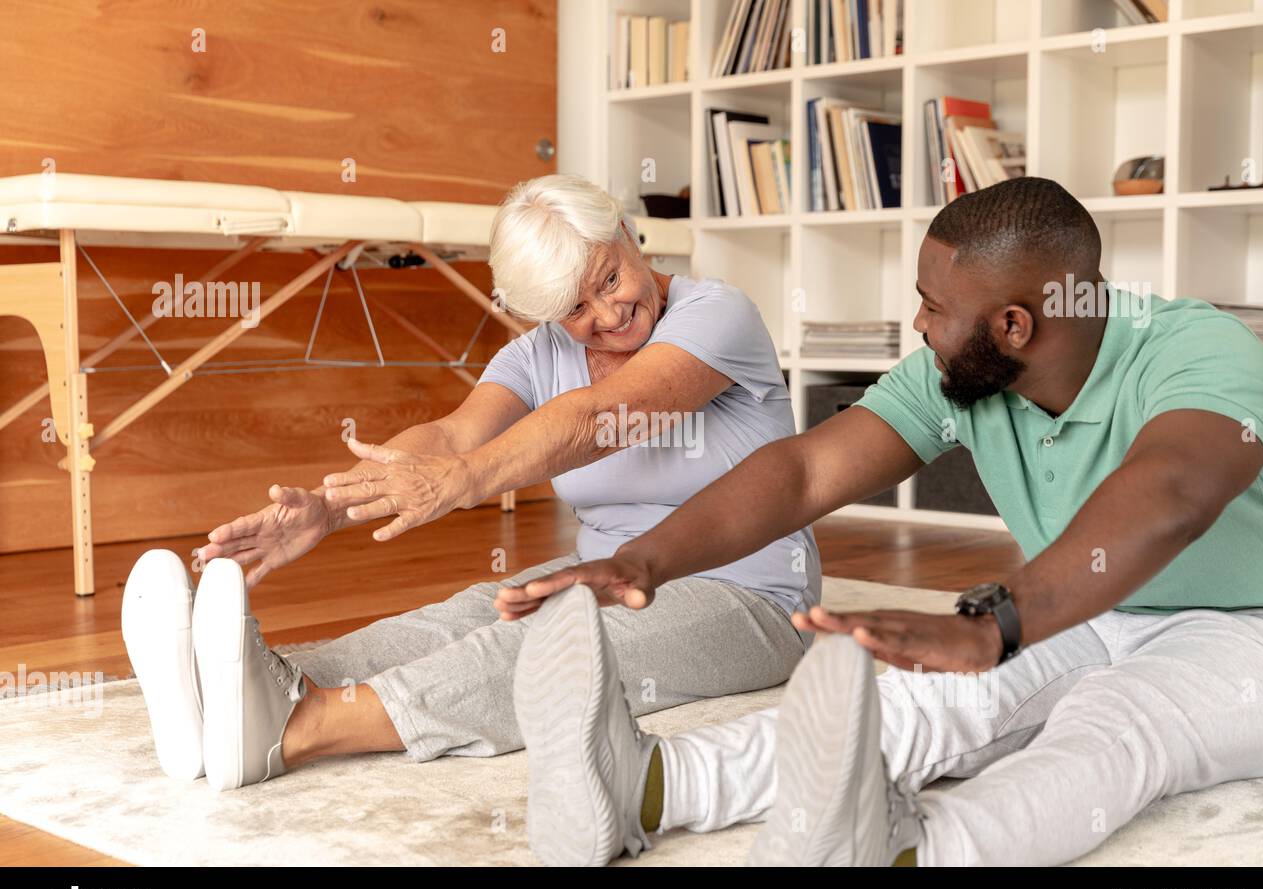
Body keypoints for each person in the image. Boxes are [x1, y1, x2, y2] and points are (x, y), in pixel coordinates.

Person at [499, 176, 1263, 866]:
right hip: (1093, 607)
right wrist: (646, 561)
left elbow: (1172, 493)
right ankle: (644, 785)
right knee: (936, 698)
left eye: (932, 306)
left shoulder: (1200, 349)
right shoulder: (959, 371)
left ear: (1013, 326)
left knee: (1116, 723)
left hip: (1262, 630)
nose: (918, 324)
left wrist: (1000, 623)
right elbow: (807, 468)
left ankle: (910, 850)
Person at [121, 173, 819, 794]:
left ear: (629, 235)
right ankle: (232, 687)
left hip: (750, 594)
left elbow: (601, 417)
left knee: (538, 651)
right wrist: (331, 508)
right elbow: (455, 436)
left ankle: (296, 727)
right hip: (600, 570)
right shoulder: (543, 351)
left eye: (610, 280)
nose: (606, 317)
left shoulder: (717, 314)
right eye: (576, 309)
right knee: (464, 617)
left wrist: (461, 482)